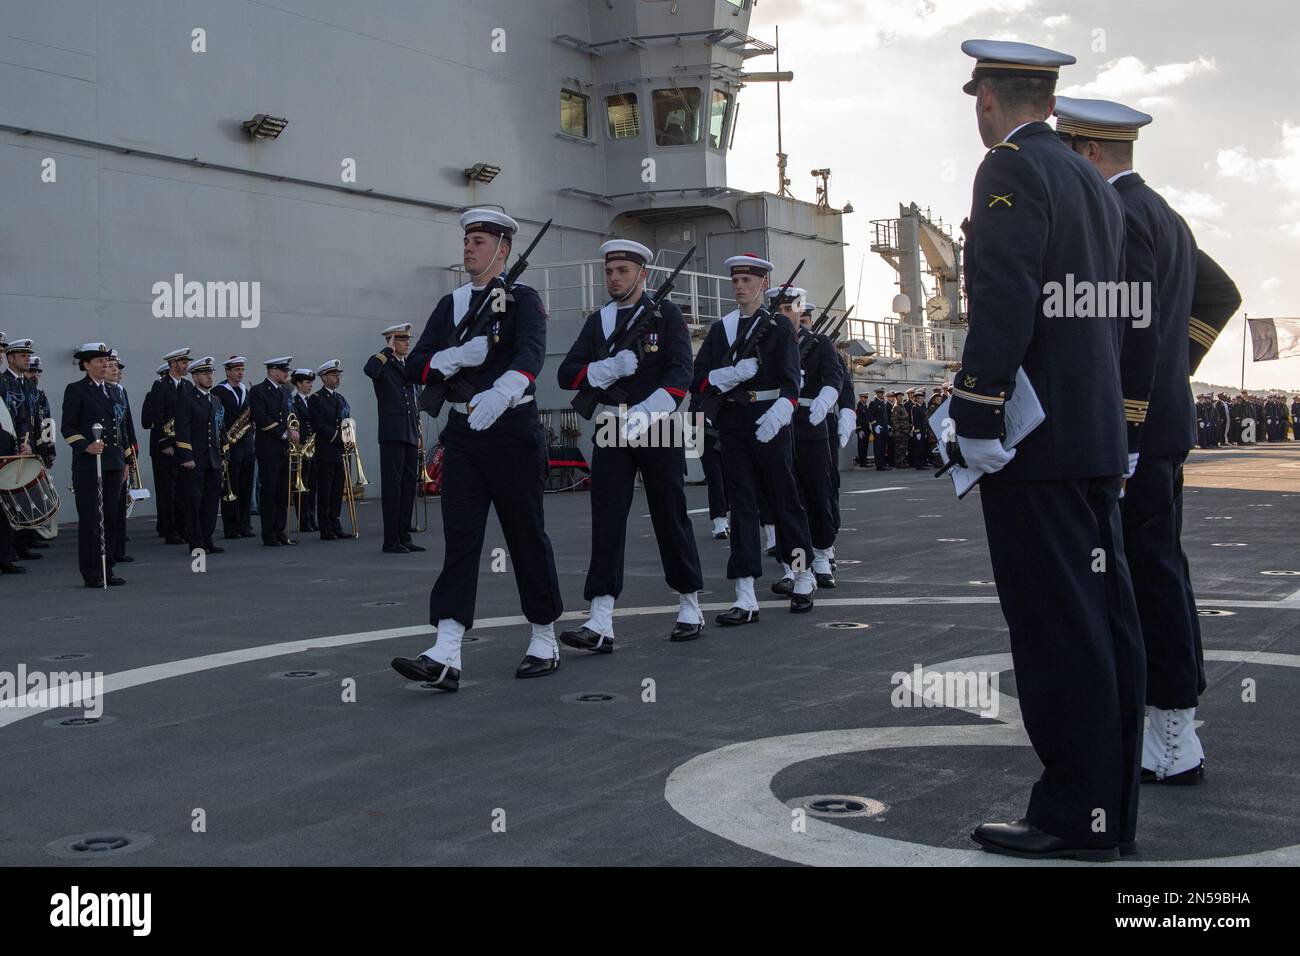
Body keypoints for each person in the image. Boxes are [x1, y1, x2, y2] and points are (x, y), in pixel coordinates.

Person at [952, 40, 1141, 861]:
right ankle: (1106, 809)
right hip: (1093, 440)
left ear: (988, 99)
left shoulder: (1009, 169)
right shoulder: (1092, 184)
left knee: (1054, 632)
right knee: (1103, 629)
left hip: (1038, 447)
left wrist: (977, 414)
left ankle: (1071, 814)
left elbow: (1004, 297)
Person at [390, 208, 564, 689]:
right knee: (461, 540)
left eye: (480, 240)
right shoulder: (452, 305)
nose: (468, 247)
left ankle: (544, 635)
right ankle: (446, 652)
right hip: (464, 435)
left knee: (526, 536)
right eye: (467, 239)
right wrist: (453, 358)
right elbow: (415, 366)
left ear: (503, 249)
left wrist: (503, 390)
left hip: (511, 431)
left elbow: (532, 354)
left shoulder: (524, 299)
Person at [556, 238, 705, 652]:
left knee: (669, 513)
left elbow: (680, 371)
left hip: (657, 424)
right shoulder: (598, 322)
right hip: (611, 426)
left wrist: (654, 407)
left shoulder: (667, 314)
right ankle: (600, 617)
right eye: (609, 272)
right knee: (607, 518)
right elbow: (566, 374)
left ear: (642, 274)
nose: (614, 279)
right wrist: (604, 369)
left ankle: (689, 603)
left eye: (622, 271)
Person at [690, 253, 817, 622]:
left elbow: (792, 381)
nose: (740, 286)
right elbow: (697, 380)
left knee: (785, 500)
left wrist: (781, 411)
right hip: (733, 422)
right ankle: (745, 593)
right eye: (735, 281)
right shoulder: (721, 330)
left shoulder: (779, 326)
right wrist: (723, 376)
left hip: (770, 422)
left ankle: (802, 574)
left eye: (747, 281)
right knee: (742, 506)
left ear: (763, 284)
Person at [769, 287, 840, 593]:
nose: (786, 316)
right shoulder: (768, 343)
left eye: (790, 310)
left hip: (811, 426)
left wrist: (826, 399)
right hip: (778, 427)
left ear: (800, 313)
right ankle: (796, 566)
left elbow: (834, 376)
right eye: (780, 310)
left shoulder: (820, 343)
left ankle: (823, 557)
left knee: (817, 493)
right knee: (788, 500)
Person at [62, 343, 128, 587]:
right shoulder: (77, 390)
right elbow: (67, 426)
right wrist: (85, 446)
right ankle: (91, 571)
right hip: (90, 465)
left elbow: (119, 427)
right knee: (92, 520)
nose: (104, 365)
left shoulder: (112, 391)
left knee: (110, 517)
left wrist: (124, 459)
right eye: (99, 361)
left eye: (105, 360)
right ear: (86, 364)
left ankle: (107, 567)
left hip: (111, 462)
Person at [364, 324, 425, 554]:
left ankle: (404, 536)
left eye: (408, 339)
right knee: (393, 487)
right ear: (391, 341)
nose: (407, 342)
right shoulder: (382, 362)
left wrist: (418, 431)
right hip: (392, 431)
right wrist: (386, 351)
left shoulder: (407, 365)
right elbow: (370, 370)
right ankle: (390, 540)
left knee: (408, 485)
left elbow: (413, 400)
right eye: (401, 339)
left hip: (409, 430)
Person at [139, 348, 192, 544]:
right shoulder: (160, 386)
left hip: (182, 445)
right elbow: (156, 416)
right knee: (167, 490)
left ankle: (182, 527)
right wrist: (165, 442)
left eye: (186, 362)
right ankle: (169, 530)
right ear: (173, 364)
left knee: (182, 490)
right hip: (165, 447)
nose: (186, 365)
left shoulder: (186, 386)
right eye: (183, 362)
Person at [174, 356, 226, 554]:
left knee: (211, 502)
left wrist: (224, 451)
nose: (209, 377)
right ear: (194, 377)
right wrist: (187, 456)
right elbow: (182, 430)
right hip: (195, 459)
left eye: (210, 373)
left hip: (213, 458)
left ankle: (207, 537)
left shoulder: (215, 399)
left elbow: (219, 427)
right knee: (195, 502)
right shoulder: (187, 399)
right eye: (204, 373)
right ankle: (196, 542)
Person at [249, 357, 298, 546]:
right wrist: (285, 433)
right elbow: (261, 418)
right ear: (272, 371)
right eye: (283, 370)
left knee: (282, 492)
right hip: (269, 448)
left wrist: (295, 429)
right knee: (269, 492)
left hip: (284, 449)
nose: (287, 374)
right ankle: (269, 533)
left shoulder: (285, 393)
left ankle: (280, 531)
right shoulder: (259, 391)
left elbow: (290, 414)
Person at [215, 356, 257, 539]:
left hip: (246, 444)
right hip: (229, 445)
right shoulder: (219, 391)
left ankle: (245, 525)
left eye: (242, 369)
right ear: (227, 371)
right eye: (236, 370)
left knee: (246, 486)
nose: (240, 373)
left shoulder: (246, 391)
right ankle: (231, 527)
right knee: (230, 487)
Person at [308, 359, 350, 540]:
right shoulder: (316, 399)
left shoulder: (340, 399)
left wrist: (349, 437)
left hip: (340, 451)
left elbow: (347, 421)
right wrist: (338, 437)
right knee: (325, 490)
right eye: (333, 375)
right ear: (324, 378)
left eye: (338, 374)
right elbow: (319, 424)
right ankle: (325, 527)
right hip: (326, 449)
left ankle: (336, 523)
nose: (337, 378)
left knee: (337, 489)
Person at [106, 350, 138, 564]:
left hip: (120, 453)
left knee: (119, 505)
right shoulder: (101, 391)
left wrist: (130, 455)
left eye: (117, 365)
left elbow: (125, 425)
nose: (116, 369)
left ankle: (119, 549)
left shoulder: (119, 391)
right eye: (111, 364)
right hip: (103, 456)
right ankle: (107, 552)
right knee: (107, 507)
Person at [289, 369, 318, 533]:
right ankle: (303, 520)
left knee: (313, 486)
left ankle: (312, 518)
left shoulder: (314, 400)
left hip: (314, 449)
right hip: (301, 449)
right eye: (307, 383)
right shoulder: (293, 403)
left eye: (311, 383)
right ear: (299, 384)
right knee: (302, 486)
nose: (310, 386)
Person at [866, 387, 892, 470]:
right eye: (880, 393)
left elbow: (884, 416)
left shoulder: (882, 403)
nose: (882, 394)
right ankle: (879, 465)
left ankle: (883, 463)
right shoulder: (873, 403)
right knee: (878, 447)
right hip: (878, 428)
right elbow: (870, 415)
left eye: (883, 393)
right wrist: (875, 425)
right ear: (876, 393)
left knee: (883, 447)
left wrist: (887, 424)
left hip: (883, 428)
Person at [854, 392, 873, 467]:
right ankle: (862, 462)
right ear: (860, 398)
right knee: (861, 446)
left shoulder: (865, 406)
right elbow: (857, 419)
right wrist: (859, 430)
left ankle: (864, 460)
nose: (865, 399)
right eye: (863, 397)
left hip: (866, 429)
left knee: (865, 446)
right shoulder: (858, 406)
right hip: (861, 429)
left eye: (866, 398)